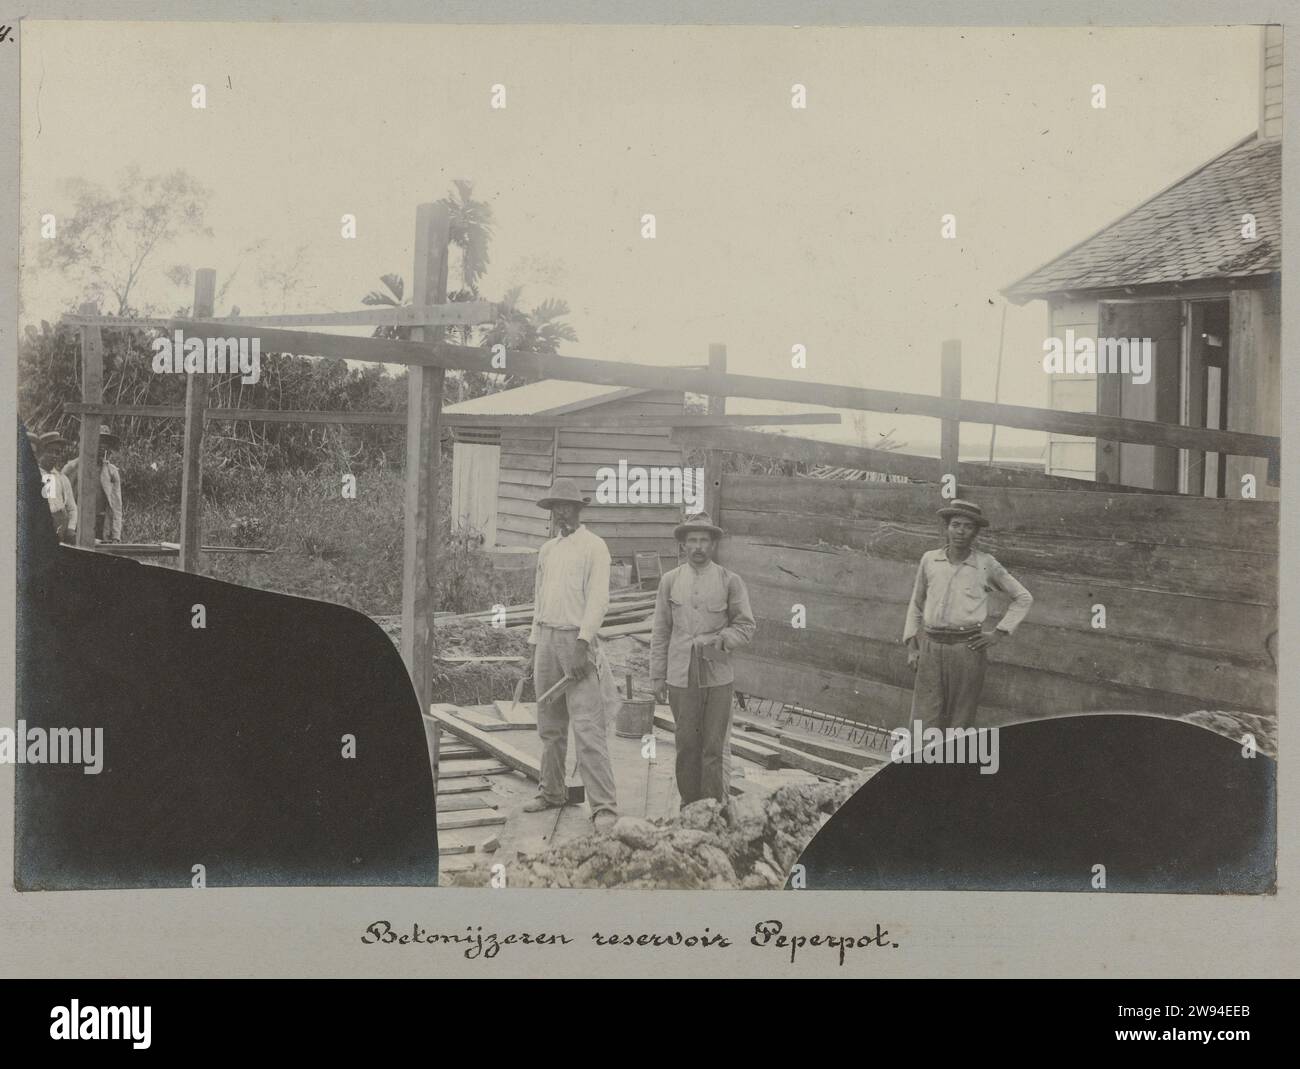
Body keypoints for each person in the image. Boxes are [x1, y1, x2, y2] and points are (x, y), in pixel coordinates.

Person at [524, 478, 620, 833]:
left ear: (579, 509)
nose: (560, 514)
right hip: (547, 639)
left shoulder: (595, 547)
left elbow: (598, 600)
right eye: (555, 508)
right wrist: (534, 644)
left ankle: (604, 807)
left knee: (587, 727)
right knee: (549, 725)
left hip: (576, 641)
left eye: (566, 507)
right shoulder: (548, 550)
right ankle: (551, 791)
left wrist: (583, 643)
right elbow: (539, 601)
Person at [650, 511, 756, 807]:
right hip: (681, 673)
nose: (698, 547)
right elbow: (660, 631)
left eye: (704, 541)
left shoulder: (729, 580)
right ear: (683, 545)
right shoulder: (669, 581)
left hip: (716, 671)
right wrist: (657, 676)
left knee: (713, 745)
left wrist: (724, 639)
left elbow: (746, 625)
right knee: (686, 744)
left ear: (713, 545)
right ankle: (689, 805)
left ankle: (712, 808)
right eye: (692, 541)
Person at [902, 499, 1033, 730]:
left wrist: (999, 632)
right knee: (924, 718)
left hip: (967, 649)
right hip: (931, 647)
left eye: (967, 526)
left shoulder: (986, 564)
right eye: (955, 524)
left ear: (976, 532)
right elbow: (916, 602)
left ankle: (954, 767)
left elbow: (1023, 598)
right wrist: (912, 645)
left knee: (960, 720)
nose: (960, 532)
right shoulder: (930, 559)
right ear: (946, 527)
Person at [62, 425, 124, 544]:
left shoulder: (111, 472)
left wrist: (116, 536)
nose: (102, 446)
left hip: (101, 524)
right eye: (99, 441)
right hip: (76, 523)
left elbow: (116, 506)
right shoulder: (72, 467)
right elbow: (61, 501)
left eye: (106, 443)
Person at [28, 431, 78, 543]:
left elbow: (72, 508)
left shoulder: (62, 478)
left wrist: (71, 528)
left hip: (62, 529)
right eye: (50, 451)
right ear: (40, 453)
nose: (54, 456)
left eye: (57, 452)